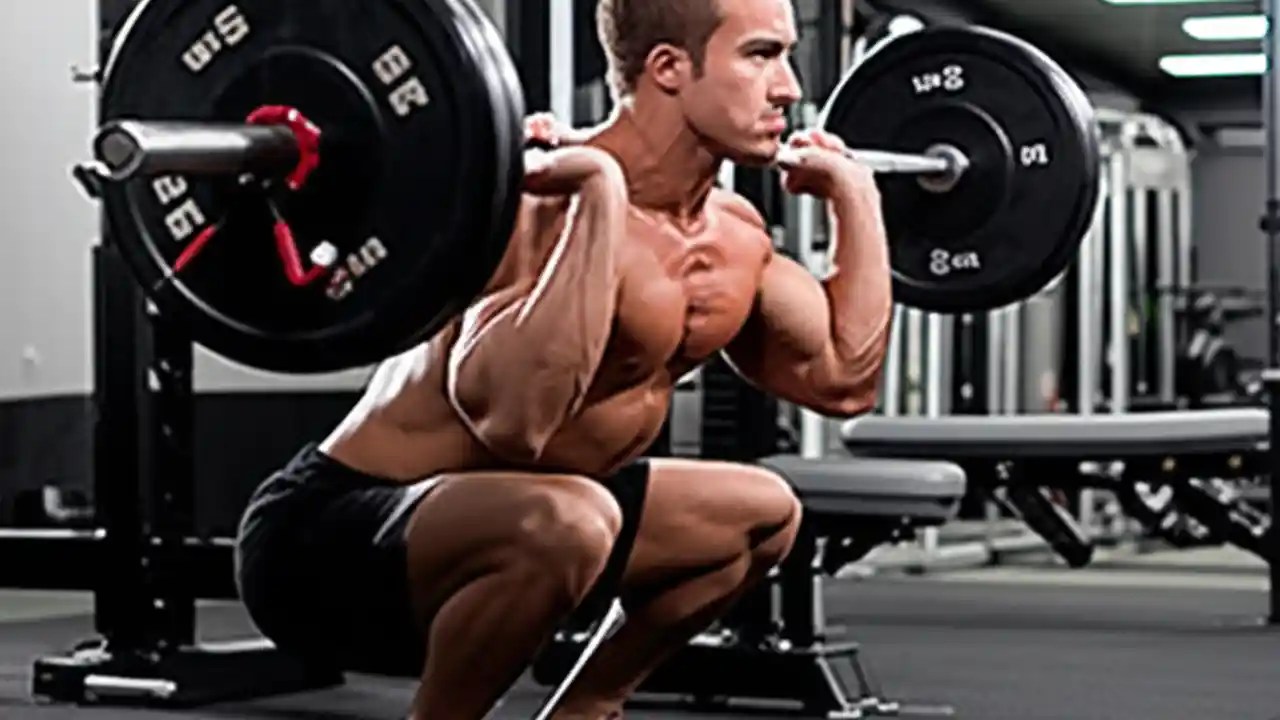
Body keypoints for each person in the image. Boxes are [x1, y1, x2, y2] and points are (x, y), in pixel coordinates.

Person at [233, 0, 892, 717]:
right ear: (669, 68)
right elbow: (516, 425)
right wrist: (598, 197)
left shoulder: (733, 236)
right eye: (761, 55)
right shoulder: (529, 198)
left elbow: (843, 382)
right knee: (571, 520)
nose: (790, 88)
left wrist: (856, 200)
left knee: (763, 514)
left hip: (539, 524)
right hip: (334, 545)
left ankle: (586, 708)